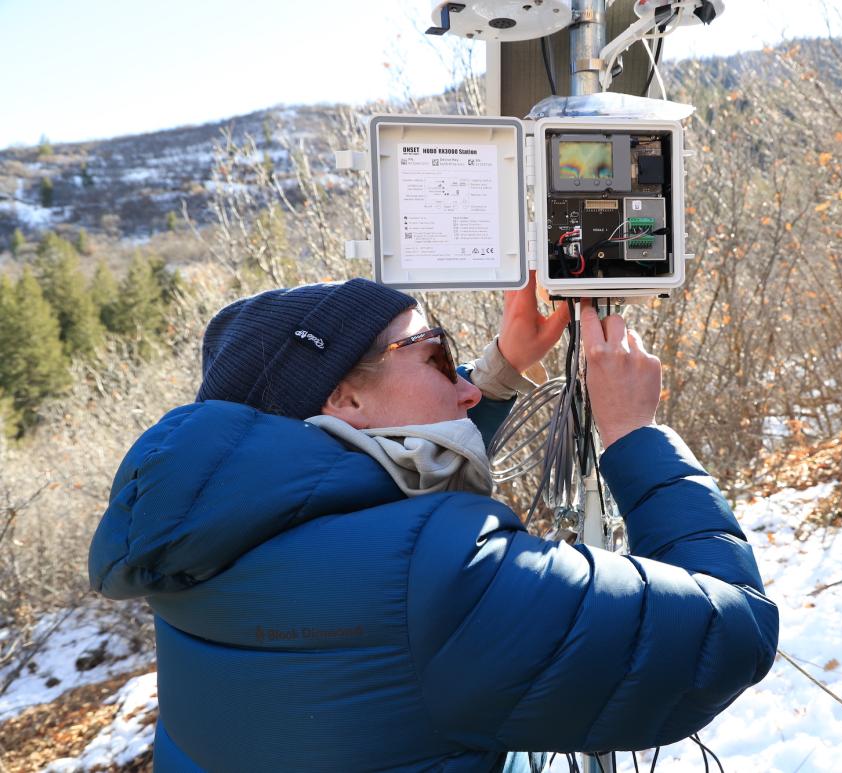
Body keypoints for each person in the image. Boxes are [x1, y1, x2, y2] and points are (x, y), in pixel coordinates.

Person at [88, 276, 779, 772]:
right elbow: (734, 628)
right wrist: (634, 433)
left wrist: (500, 373)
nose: (468, 388)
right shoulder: (443, 580)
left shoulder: (197, 543)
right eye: (437, 356)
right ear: (345, 399)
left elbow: (365, 500)